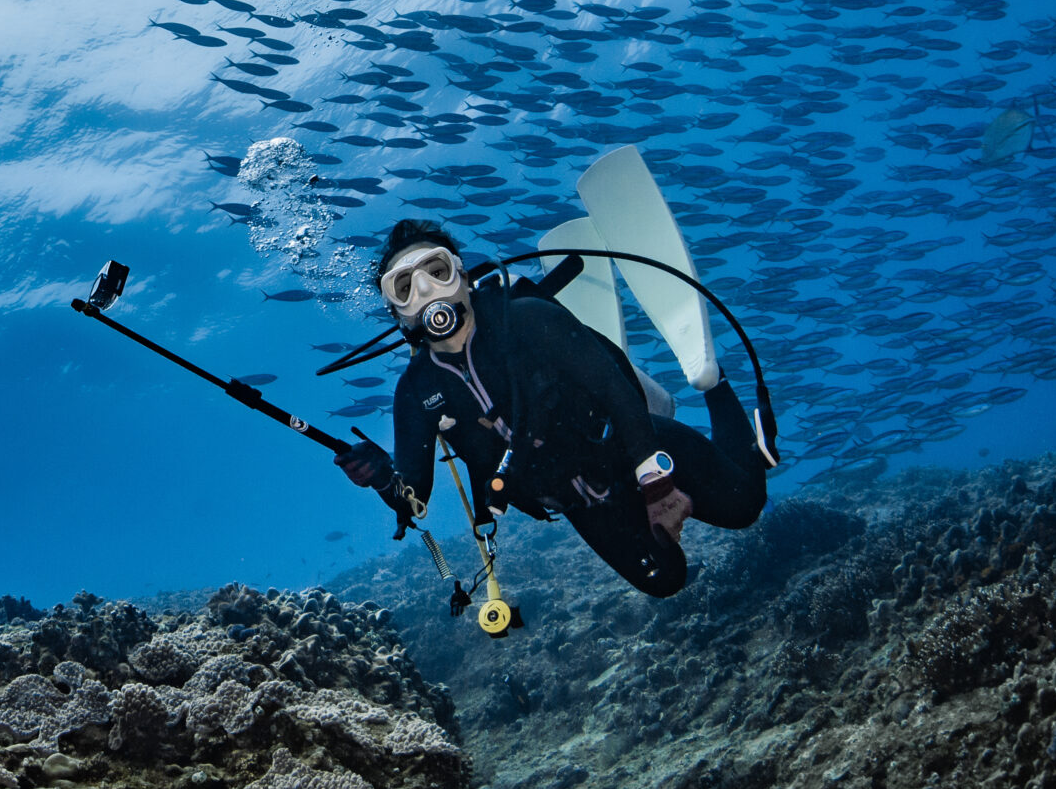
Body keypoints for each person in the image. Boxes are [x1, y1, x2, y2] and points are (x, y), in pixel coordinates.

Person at [333, 221, 777, 597]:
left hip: (632, 446)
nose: (426, 291)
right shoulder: (415, 391)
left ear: (464, 278)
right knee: (665, 581)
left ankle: (712, 382)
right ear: (398, 313)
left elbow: (616, 392)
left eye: (437, 270)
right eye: (405, 287)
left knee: (745, 509)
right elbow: (415, 503)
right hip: (575, 500)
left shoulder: (529, 319)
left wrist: (656, 483)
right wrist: (380, 479)